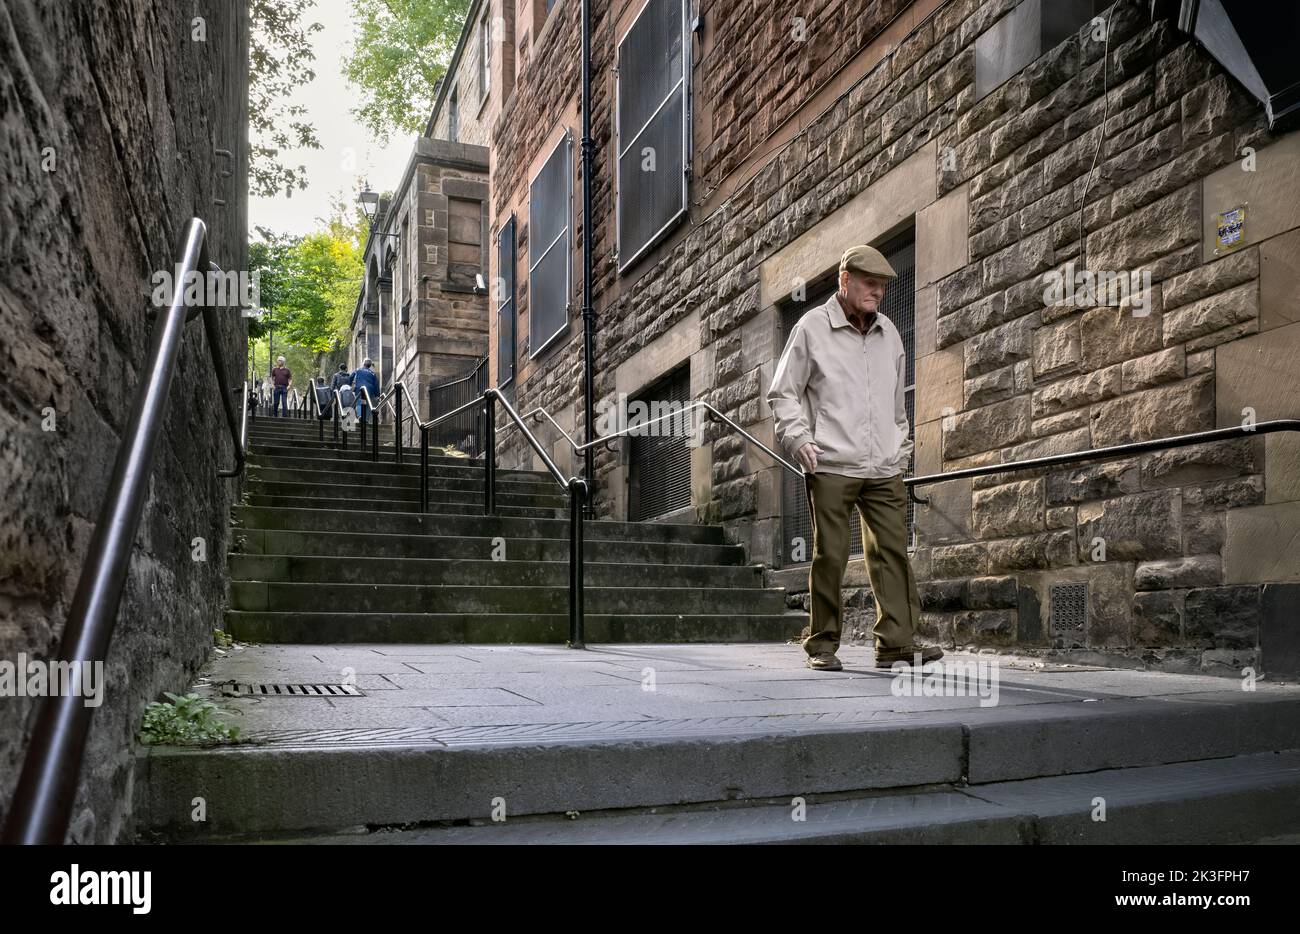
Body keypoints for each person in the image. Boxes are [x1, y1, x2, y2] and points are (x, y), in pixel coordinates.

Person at [767, 245, 944, 672]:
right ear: (845, 280)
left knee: (892, 552)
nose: (878, 292)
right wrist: (798, 439)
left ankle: (896, 643)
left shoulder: (890, 334)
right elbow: (783, 392)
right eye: (870, 283)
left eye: (883, 285)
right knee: (830, 554)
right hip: (829, 461)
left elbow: (895, 402)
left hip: (884, 466)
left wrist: (901, 448)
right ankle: (822, 643)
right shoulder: (812, 327)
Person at [351, 358, 379, 422]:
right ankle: (366, 419)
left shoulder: (357, 370)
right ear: (370, 365)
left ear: (363, 364)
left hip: (359, 389)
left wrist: (349, 384)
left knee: (359, 403)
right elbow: (376, 385)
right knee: (368, 404)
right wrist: (377, 395)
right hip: (370, 390)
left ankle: (360, 415)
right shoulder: (373, 373)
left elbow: (351, 377)